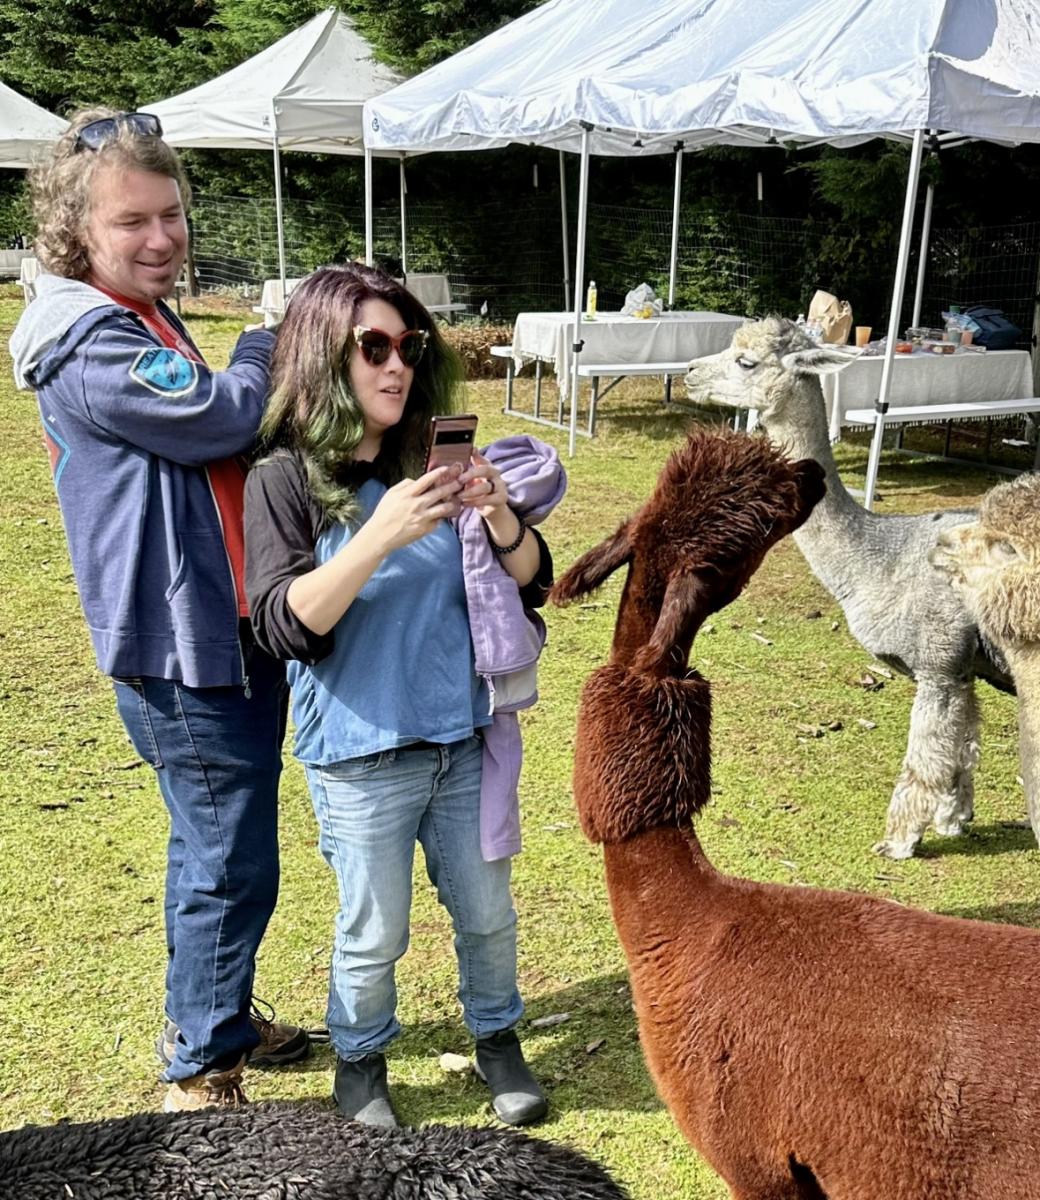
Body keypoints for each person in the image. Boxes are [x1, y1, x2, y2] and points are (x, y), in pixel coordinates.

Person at [9, 108, 309, 1112]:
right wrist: (268, 339)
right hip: (180, 648)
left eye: (171, 214)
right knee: (228, 858)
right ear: (75, 233)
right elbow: (222, 414)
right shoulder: (89, 342)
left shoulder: (138, 313)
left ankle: (213, 1008)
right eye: (131, 221)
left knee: (222, 844)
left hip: (220, 629)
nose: (160, 238)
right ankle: (199, 1070)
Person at [244, 263, 561, 1128]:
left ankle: (498, 1043)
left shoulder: (434, 457)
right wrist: (376, 537)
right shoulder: (285, 478)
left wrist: (501, 519)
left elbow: (532, 581)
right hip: (358, 756)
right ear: (321, 356)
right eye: (372, 347)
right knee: (373, 932)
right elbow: (282, 623)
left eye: (408, 346)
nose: (396, 366)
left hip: (463, 740)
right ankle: (361, 1061)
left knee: (489, 916)